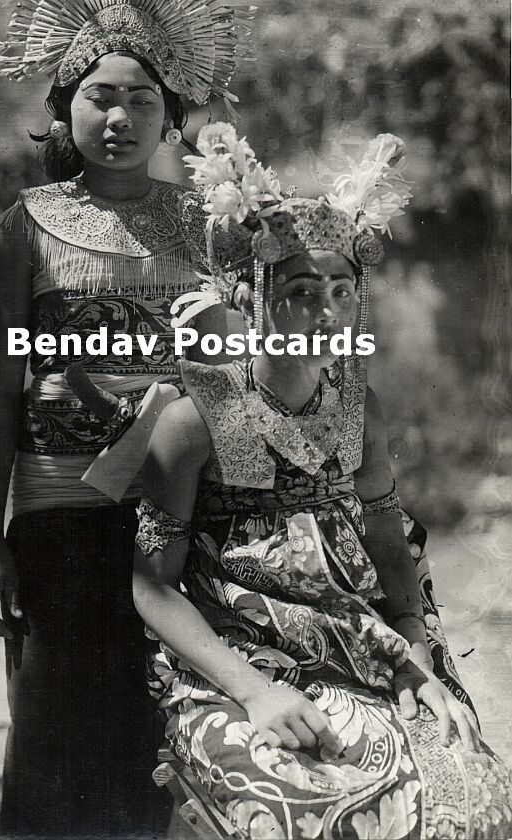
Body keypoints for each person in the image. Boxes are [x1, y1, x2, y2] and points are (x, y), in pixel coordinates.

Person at [131, 124, 512, 838]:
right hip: (232, 662)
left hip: (361, 648)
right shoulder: (196, 419)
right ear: (252, 297)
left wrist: (414, 651)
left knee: (468, 796)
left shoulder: (358, 411)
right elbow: (150, 584)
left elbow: (387, 544)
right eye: (302, 289)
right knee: (295, 810)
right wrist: (255, 692)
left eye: (341, 289)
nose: (326, 310)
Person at [0, 0, 253, 837]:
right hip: (56, 514)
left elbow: (232, 379)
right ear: (64, 107)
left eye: (140, 98)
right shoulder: (25, 225)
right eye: (98, 94)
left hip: (180, 520)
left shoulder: (213, 229)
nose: (119, 116)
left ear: (173, 114)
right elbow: (0, 390)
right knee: (54, 742)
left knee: (166, 745)